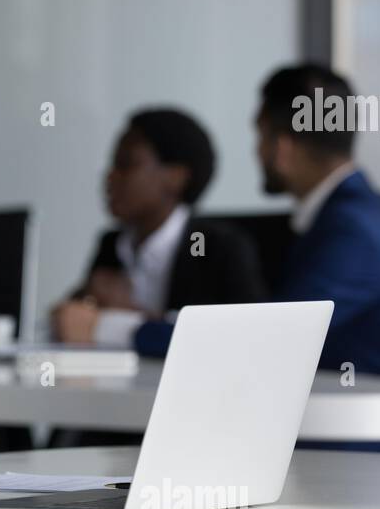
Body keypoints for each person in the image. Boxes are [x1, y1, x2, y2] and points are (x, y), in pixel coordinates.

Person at [135, 65, 380, 389]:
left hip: (346, 432)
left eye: (260, 136)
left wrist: (125, 330)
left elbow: (267, 338)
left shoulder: (353, 232)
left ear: (282, 148)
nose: (256, 151)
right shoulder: (355, 215)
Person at [52, 108, 265, 347]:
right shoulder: (112, 243)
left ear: (175, 177)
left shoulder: (220, 248)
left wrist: (127, 318)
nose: (110, 176)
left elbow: (245, 339)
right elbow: (74, 326)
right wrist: (83, 302)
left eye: (126, 164)